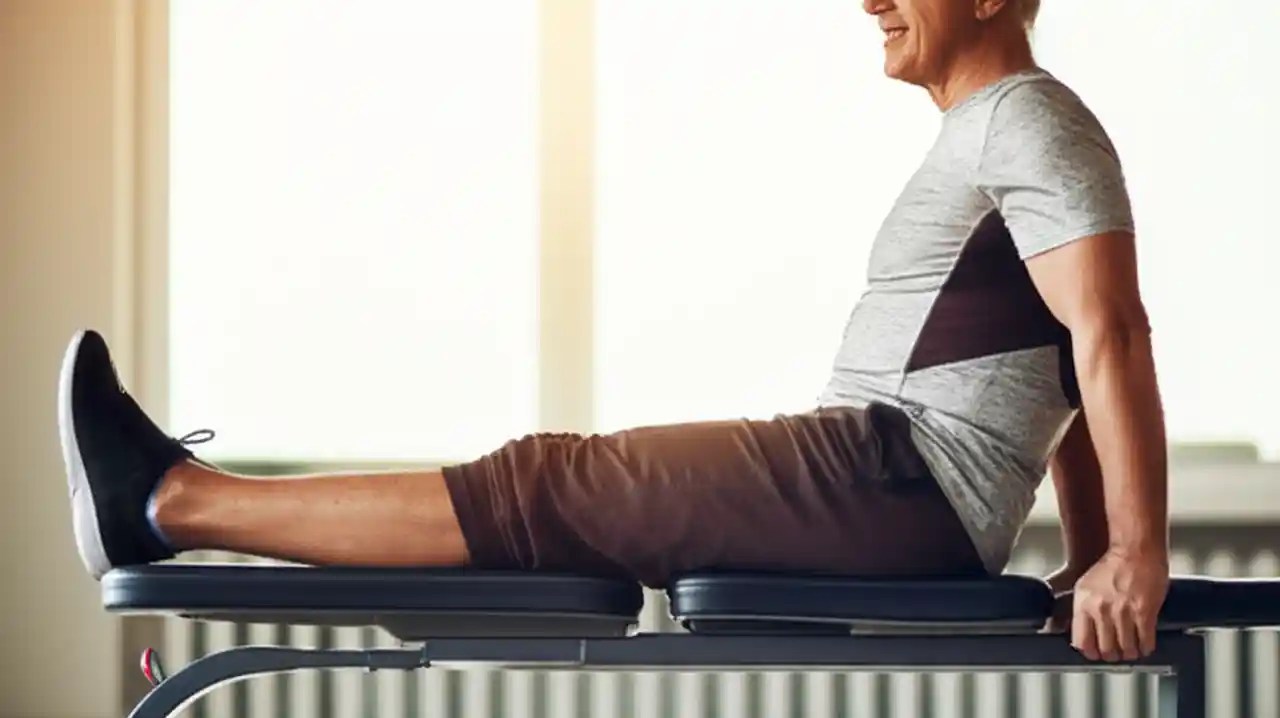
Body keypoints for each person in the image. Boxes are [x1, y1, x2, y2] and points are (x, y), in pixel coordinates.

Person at [58, 0, 1169, 664]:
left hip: (894, 479)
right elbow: (1069, 356)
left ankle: (171, 504)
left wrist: (1135, 553)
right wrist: (1088, 554)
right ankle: (175, 502)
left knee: (550, 487)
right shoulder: (992, 129)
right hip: (890, 479)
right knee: (551, 482)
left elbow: (1110, 332)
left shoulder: (1025, 117)